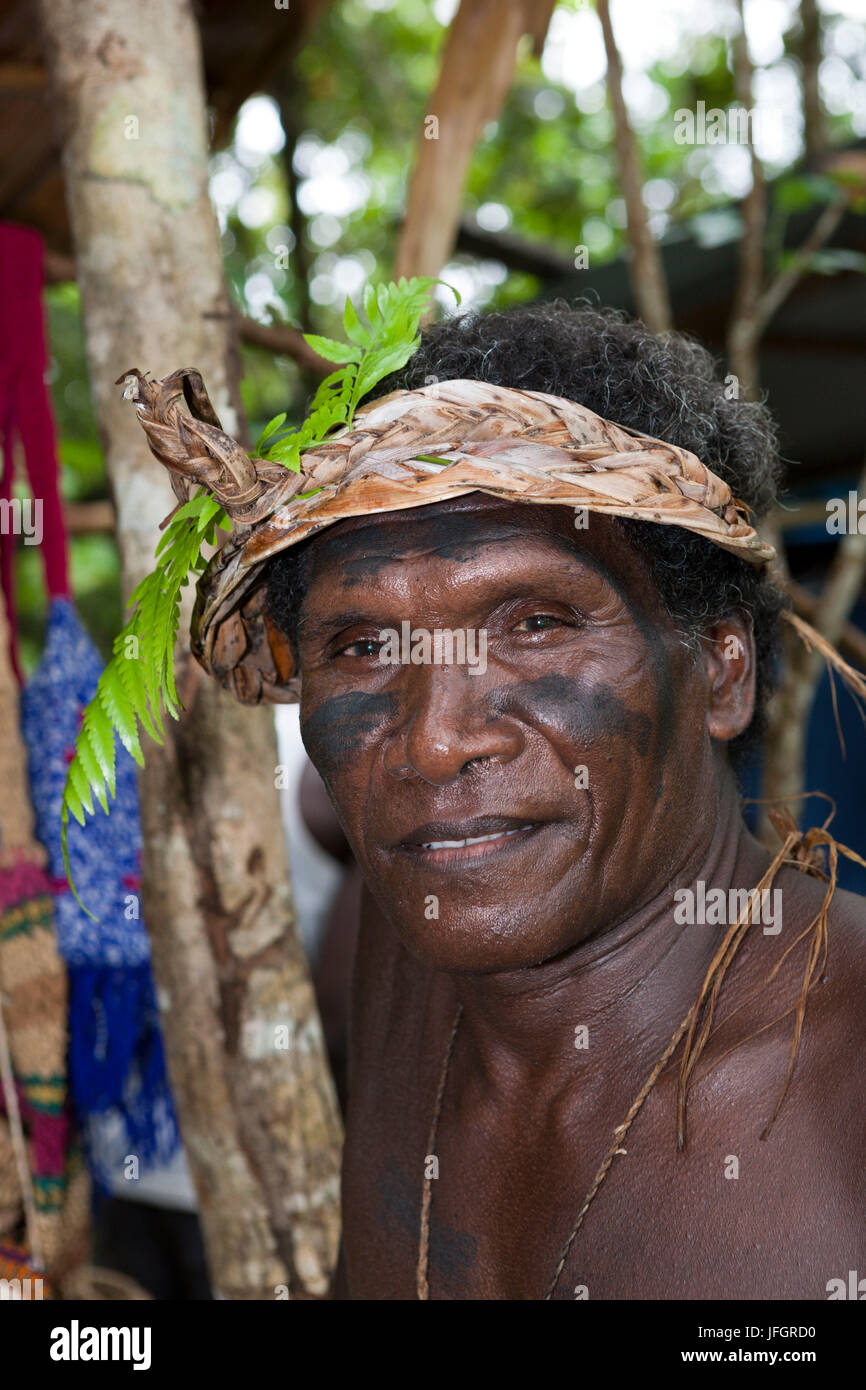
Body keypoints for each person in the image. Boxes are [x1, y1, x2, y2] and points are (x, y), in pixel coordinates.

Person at [135, 301, 866, 1300]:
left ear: (719, 675)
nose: (433, 742)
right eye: (363, 645)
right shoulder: (421, 945)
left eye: (533, 623)